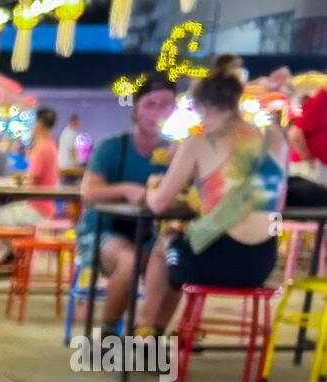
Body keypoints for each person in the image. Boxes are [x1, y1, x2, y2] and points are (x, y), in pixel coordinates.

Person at [139, 56, 287, 335]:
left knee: (166, 244)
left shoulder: (200, 139)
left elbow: (159, 204)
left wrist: (151, 187)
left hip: (214, 262)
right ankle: (180, 331)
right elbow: (277, 203)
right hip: (262, 263)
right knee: (185, 241)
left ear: (201, 105)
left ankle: (146, 332)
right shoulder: (274, 138)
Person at [75, 75, 177, 337]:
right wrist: (126, 190)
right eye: (150, 105)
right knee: (129, 261)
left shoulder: (174, 154)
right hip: (101, 232)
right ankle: (108, 332)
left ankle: (150, 332)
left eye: (166, 105)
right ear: (136, 110)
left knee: (179, 262)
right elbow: (89, 193)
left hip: (147, 236)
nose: (157, 112)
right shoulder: (113, 147)